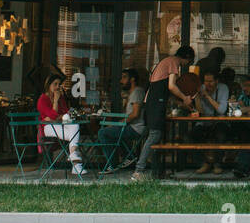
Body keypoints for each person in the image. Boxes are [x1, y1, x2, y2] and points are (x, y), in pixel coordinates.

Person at [132, 45, 196, 180]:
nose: (185, 65)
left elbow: (168, 92)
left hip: (152, 102)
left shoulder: (165, 62)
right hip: (156, 104)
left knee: (157, 137)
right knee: (155, 135)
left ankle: (158, 171)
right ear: (187, 58)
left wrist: (183, 104)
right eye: (188, 62)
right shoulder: (173, 62)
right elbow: (171, 86)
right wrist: (185, 97)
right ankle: (139, 170)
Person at [37, 72, 86, 176]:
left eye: (59, 84)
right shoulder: (42, 99)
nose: (57, 87)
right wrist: (55, 101)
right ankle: (75, 161)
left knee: (75, 125)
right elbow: (54, 115)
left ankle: (73, 158)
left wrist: (55, 117)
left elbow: (65, 113)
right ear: (48, 85)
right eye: (55, 84)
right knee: (73, 132)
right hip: (47, 127)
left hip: (60, 124)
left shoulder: (61, 98)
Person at [97, 68, 146, 170]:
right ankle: (128, 157)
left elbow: (135, 114)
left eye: (124, 77)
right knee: (110, 131)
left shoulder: (137, 92)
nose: (121, 81)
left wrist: (120, 123)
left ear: (132, 79)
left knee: (103, 133)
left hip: (136, 128)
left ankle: (113, 164)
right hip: (131, 127)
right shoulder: (132, 94)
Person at [194, 70, 230, 175]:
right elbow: (199, 111)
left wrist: (208, 97)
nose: (207, 84)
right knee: (194, 134)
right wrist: (197, 98)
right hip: (205, 121)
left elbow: (221, 110)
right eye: (205, 81)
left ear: (217, 81)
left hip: (219, 120)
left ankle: (217, 164)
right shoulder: (201, 88)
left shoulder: (223, 88)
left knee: (221, 134)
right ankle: (204, 163)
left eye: (210, 81)